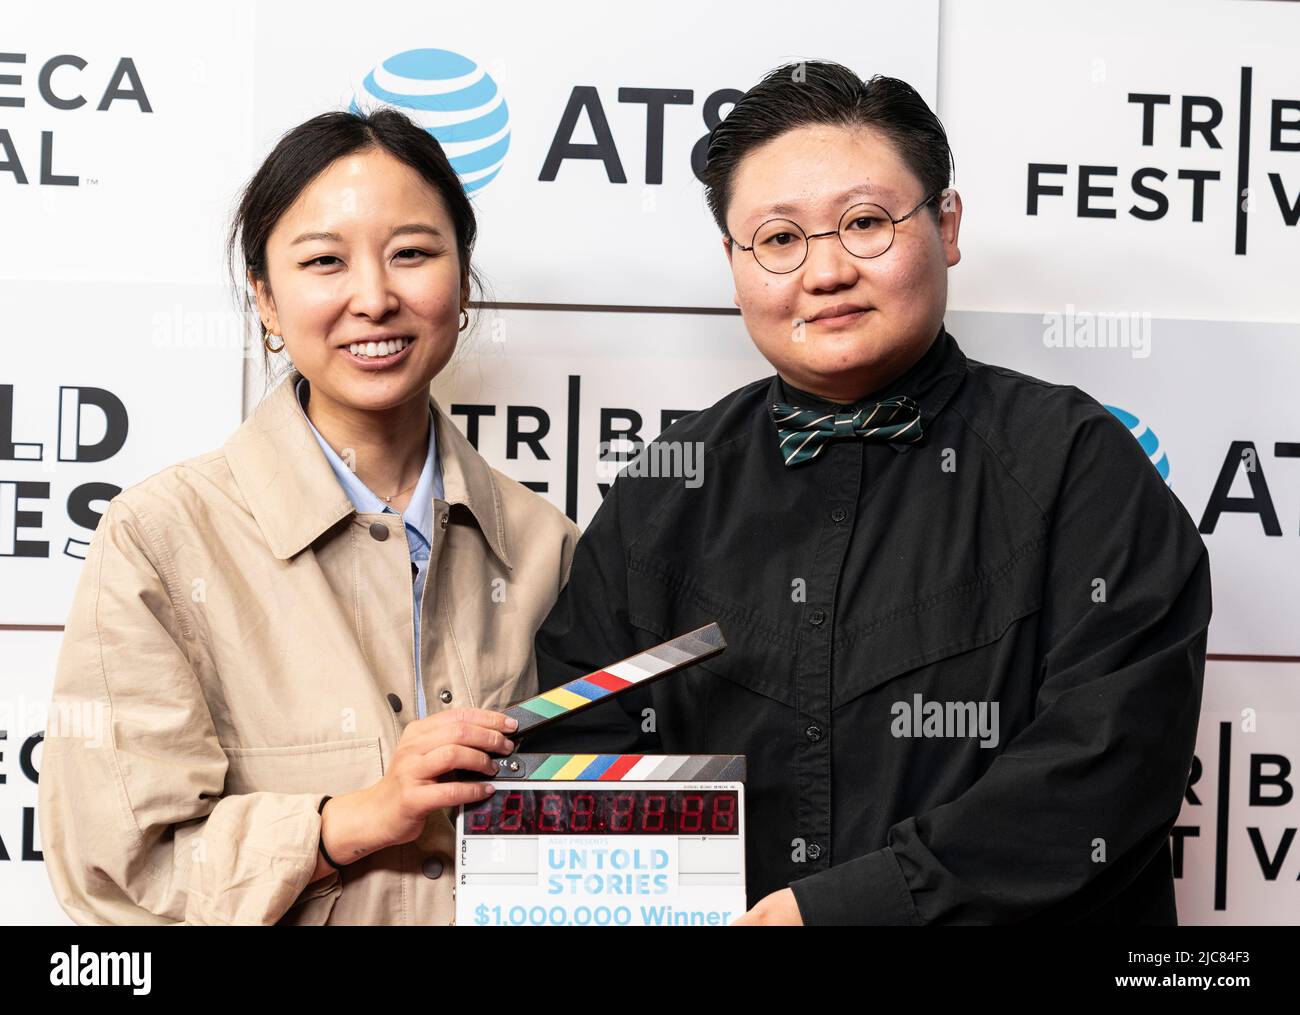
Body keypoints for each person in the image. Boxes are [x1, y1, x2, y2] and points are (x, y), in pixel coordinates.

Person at [523, 63, 1211, 925]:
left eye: (865, 223)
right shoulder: (663, 490)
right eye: (778, 239)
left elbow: (1111, 762)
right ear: (734, 266)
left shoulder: (1080, 464)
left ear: (947, 224)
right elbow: (581, 740)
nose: (825, 271)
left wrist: (847, 909)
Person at [38, 109, 579, 924]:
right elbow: (117, 869)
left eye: (413, 253)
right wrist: (348, 820)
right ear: (264, 297)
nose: (374, 298)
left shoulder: (548, 543)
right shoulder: (161, 537)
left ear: (462, 281)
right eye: (325, 261)